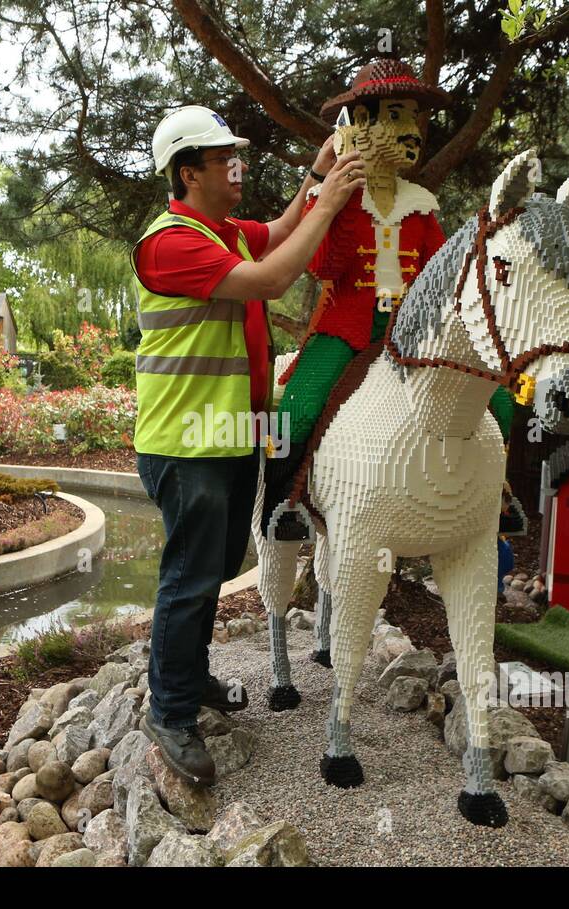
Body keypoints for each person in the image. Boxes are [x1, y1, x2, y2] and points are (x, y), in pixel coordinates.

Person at [133, 105, 364, 784]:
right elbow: (272, 278)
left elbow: (285, 228)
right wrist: (332, 204)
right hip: (186, 444)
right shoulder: (170, 243)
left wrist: (319, 176)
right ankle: (170, 712)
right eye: (222, 158)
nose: (237, 167)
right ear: (186, 171)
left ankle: (190, 676)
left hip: (231, 438)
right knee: (190, 577)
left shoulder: (225, 232)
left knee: (216, 565)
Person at [262, 60, 450, 540]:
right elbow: (324, 267)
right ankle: (282, 505)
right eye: (396, 116)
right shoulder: (325, 198)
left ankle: (489, 499)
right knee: (297, 411)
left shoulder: (422, 204)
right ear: (361, 124)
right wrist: (338, 196)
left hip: (409, 332)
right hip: (345, 326)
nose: (412, 131)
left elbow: (441, 275)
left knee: (499, 403)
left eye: (413, 117)